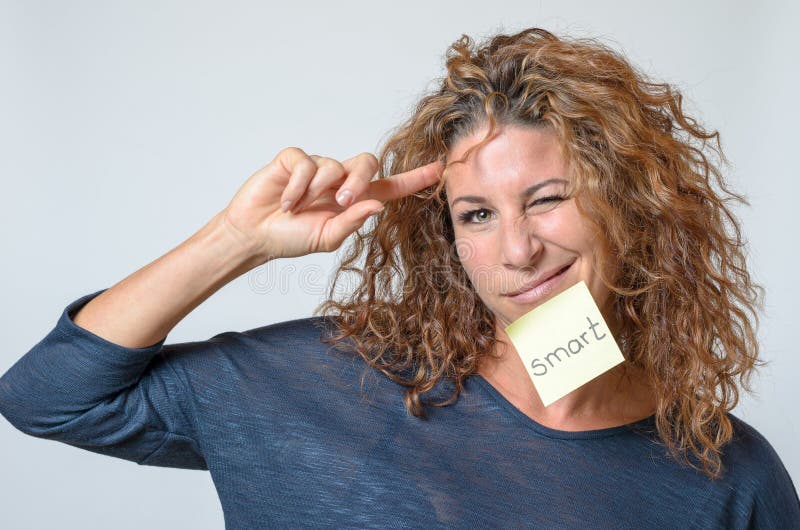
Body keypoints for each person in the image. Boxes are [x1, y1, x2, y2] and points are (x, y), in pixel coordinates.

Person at [1, 27, 798, 529]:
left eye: (548, 199)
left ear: (632, 208)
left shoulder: (725, 478)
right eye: (476, 214)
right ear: (449, 240)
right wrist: (236, 242)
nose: (517, 249)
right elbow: (47, 397)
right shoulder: (319, 381)